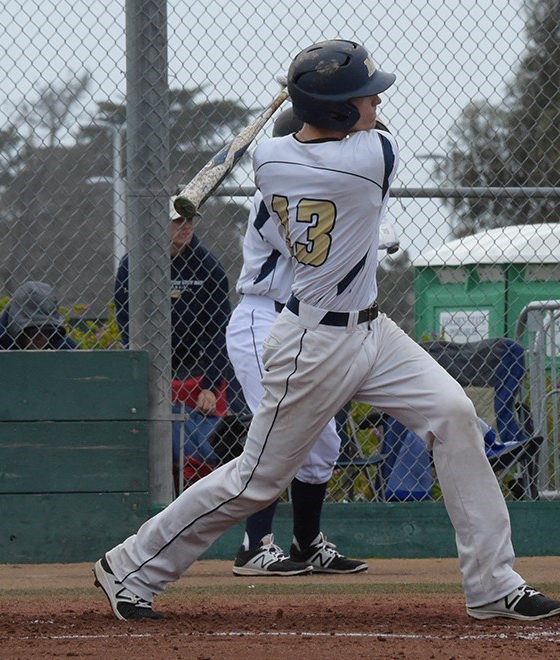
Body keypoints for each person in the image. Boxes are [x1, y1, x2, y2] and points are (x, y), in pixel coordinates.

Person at [93, 39, 560, 622]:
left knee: (454, 416)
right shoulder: (372, 159)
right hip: (312, 345)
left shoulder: (269, 160)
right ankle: (133, 564)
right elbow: (369, 128)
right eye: (362, 97)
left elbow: (293, 137)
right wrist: (317, 93)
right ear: (337, 112)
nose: (373, 102)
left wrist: (312, 91)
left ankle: (493, 584)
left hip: (374, 332)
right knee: (256, 481)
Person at [224, 108, 367, 577]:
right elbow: (313, 249)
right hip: (260, 319)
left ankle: (306, 544)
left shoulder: (328, 194)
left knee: (324, 441)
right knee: (280, 433)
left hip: (300, 323)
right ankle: (253, 546)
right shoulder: (274, 201)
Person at [114, 215, 232, 486]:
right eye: (176, 221)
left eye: (189, 220)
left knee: (200, 451)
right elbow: (127, 322)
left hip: (197, 372)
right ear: (157, 222)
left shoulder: (208, 266)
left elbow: (219, 329)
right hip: (154, 367)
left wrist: (211, 385)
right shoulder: (134, 263)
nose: (185, 227)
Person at [0, 281, 79, 350]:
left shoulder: (64, 347)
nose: (39, 338)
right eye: (33, 330)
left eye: (46, 330)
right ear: (16, 324)